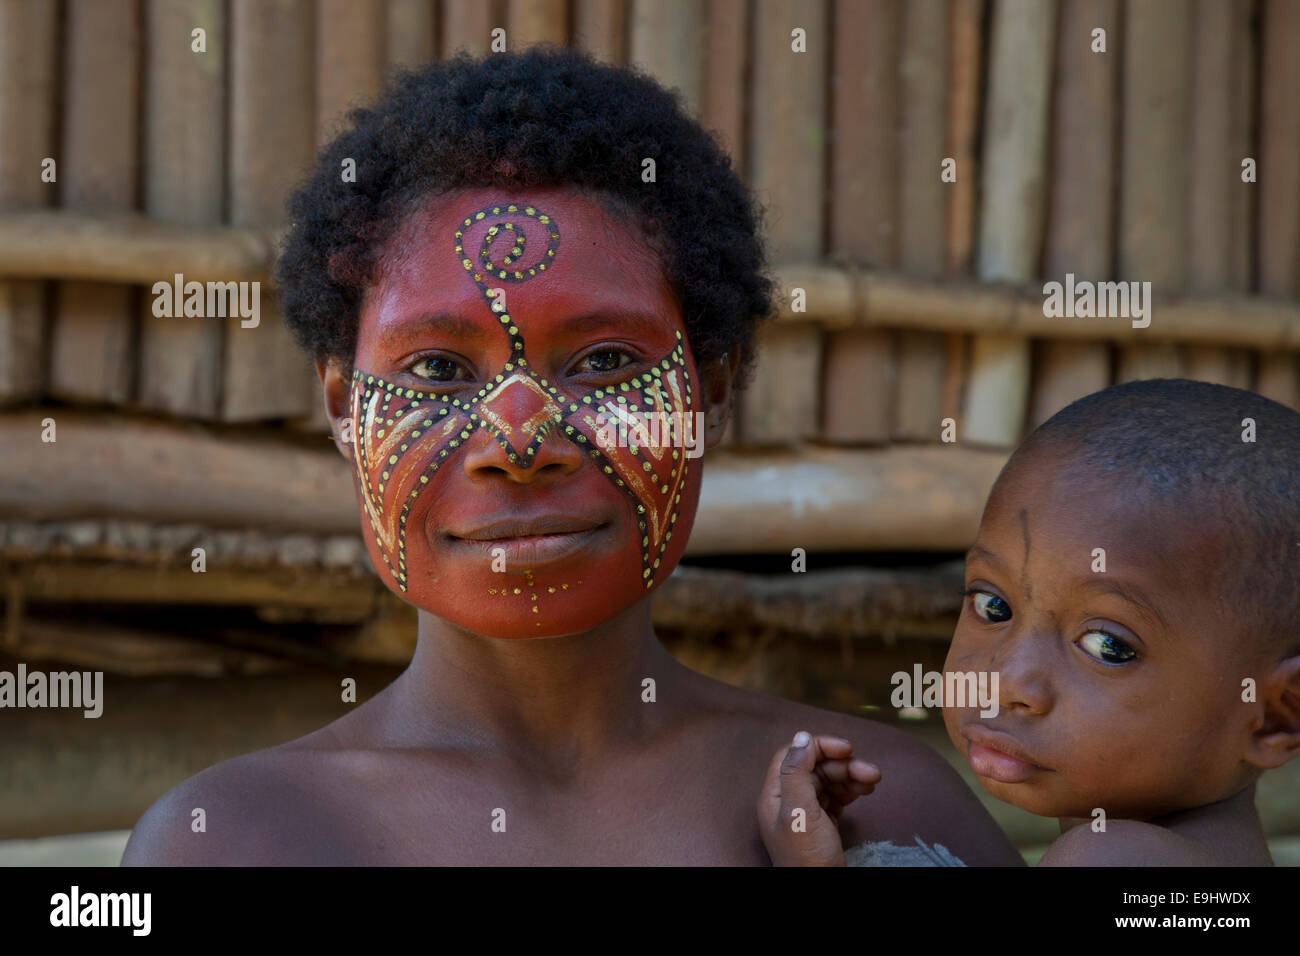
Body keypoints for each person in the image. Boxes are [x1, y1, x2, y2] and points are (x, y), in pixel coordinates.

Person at [122, 45, 1020, 866]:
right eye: (436, 369)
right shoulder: (235, 841)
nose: (521, 445)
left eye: (603, 363)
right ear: (343, 404)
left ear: (712, 384)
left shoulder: (878, 810)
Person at [759, 380, 1300, 866]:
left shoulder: (1116, 858)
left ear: (1278, 717)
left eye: (1108, 646)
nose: (1006, 680)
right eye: (993, 606)